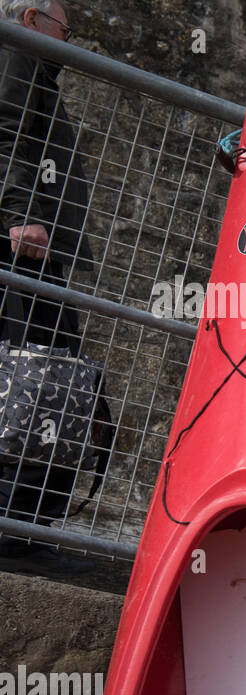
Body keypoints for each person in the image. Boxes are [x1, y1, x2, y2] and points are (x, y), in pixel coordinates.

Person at [0, 0, 94, 574]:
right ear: (34, 19)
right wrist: (21, 214)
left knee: (38, 374)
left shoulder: (28, 57)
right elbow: (4, 131)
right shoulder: (19, 48)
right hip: (24, 244)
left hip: (29, 245)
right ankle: (19, 532)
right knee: (40, 376)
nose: (72, 36)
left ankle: (23, 526)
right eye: (65, 25)